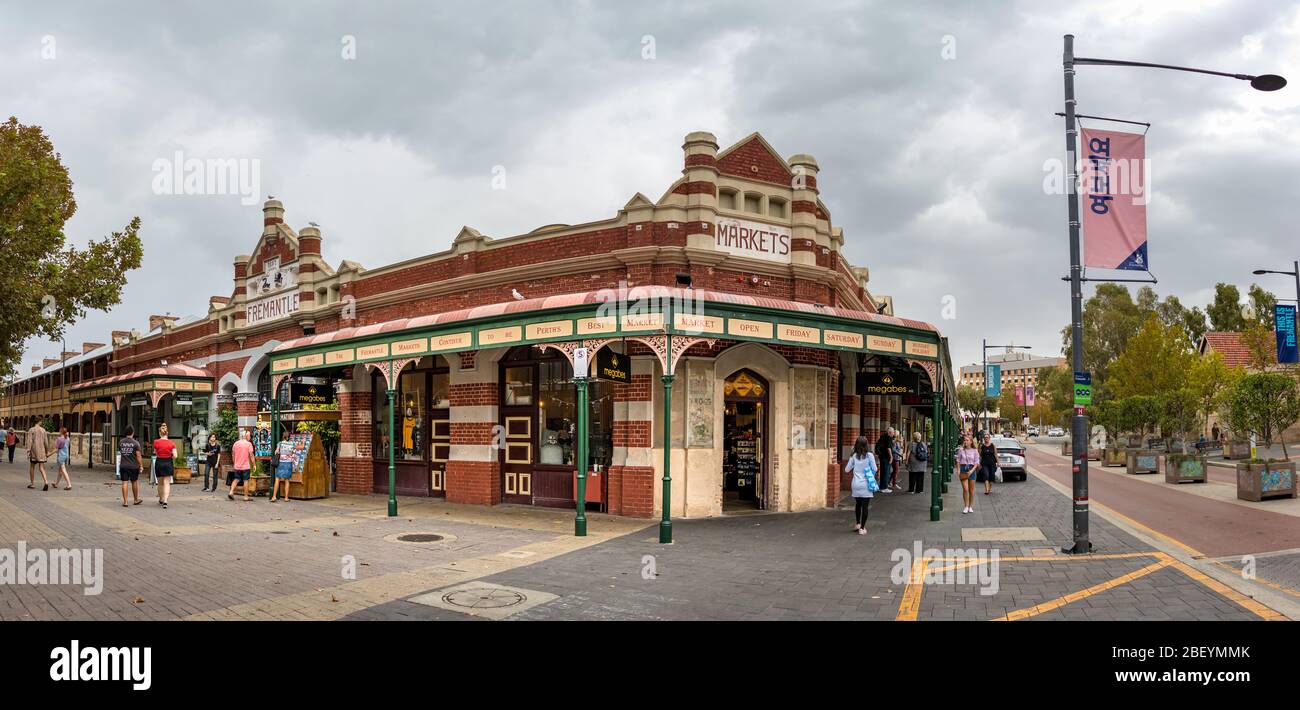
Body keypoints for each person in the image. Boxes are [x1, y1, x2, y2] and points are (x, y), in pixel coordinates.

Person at [843, 436, 878, 536]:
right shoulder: (870, 455)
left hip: (855, 484)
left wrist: (851, 456)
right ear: (866, 444)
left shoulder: (854, 456)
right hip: (866, 484)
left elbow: (846, 470)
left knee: (858, 505)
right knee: (865, 507)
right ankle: (862, 528)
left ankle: (858, 524)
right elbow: (875, 469)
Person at [118, 425, 144, 507]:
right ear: (133, 432)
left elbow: (120, 452)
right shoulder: (136, 443)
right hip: (133, 466)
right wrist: (141, 465)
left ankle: (125, 501)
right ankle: (135, 499)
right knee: (134, 482)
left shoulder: (121, 442)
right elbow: (138, 456)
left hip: (123, 465)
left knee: (124, 482)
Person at [152, 423, 176, 508]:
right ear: (167, 433)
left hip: (159, 462)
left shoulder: (156, 442)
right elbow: (175, 455)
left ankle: (161, 499)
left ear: (159, 433)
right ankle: (165, 500)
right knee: (167, 483)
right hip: (168, 462)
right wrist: (170, 455)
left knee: (160, 483)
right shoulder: (171, 443)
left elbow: (155, 452)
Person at [228, 429, 254, 501]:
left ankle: (231, 492)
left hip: (237, 465)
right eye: (249, 436)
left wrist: (234, 462)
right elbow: (251, 455)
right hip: (245, 466)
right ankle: (246, 497)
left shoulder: (236, 443)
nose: (250, 437)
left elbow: (233, 454)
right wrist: (254, 464)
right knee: (246, 480)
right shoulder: (248, 444)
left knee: (236, 479)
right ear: (245, 436)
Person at [956, 435, 980, 514]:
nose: (965, 442)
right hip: (963, 469)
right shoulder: (961, 450)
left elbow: (976, 463)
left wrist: (972, 471)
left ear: (971, 442)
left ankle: (970, 506)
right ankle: (966, 506)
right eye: (964, 440)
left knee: (971, 490)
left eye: (967, 440)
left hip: (972, 469)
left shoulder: (975, 451)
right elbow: (958, 460)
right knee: (965, 489)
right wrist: (958, 470)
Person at [271, 430, 294, 503]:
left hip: (281, 463)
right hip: (288, 463)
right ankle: (286, 498)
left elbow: (276, 452)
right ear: (288, 437)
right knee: (287, 480)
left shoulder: (280, 443)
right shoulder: (291, 444)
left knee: (277, 479)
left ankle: (274, 496)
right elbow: (294, 451)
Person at [26, 420, 50, 491]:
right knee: (42, 468)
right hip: (42, 451)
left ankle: (32, 483)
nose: (42, 422)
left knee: (32, 466)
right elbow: (46, 442)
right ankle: (46, 482)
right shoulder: (43, 430)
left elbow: (29, 441)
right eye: (41, 421)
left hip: (34, 451)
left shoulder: (31, 430)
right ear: (39, 421)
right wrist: (46, 451)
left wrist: (28, 450)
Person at [53, 426, 72, 490]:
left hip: (61, 456)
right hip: (66, 456)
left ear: (61, 432)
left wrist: (48, 455)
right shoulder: (68, 438)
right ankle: (56, 484)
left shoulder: (59, 439)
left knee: (63, 471)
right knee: (60, 471)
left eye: (59, 431)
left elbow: (56, 449)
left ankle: (69, 484)